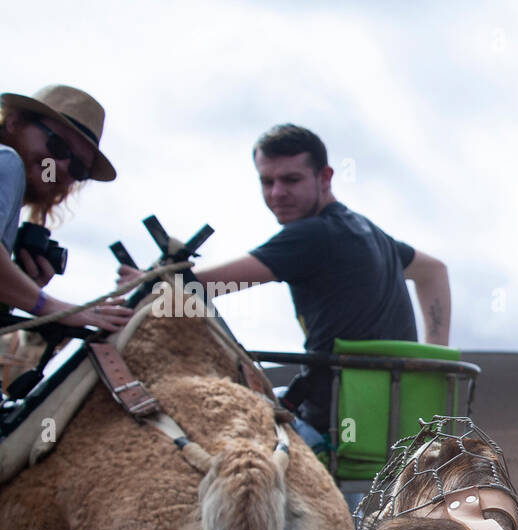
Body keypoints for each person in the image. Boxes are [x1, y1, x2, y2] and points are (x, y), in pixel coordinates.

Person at [116, 123, 451, 442]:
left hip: (330, 426)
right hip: (389, 421)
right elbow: (434, 271)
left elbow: (199, 290)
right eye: (267, 182)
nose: (277, 193)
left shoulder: (312, 235)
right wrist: (433, 361)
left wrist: (146, 282)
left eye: (291, 180)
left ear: (325, 177)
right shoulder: (367, 231)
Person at [0, 85, 132, 338]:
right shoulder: (7, 161)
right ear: (15, 122)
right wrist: (48, 305)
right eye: (57, 146)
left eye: (78, 168)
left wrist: (18, 288)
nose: (60, 167)